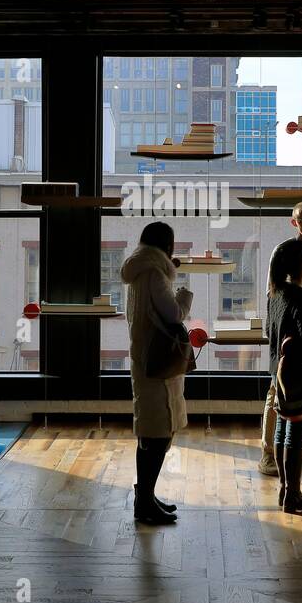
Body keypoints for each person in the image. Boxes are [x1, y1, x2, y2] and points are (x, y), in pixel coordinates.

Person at [121, 221, 194, 526]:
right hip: (157, 365)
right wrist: (184, 293)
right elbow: (174, 314)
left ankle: (147, 496)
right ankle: (145, 501)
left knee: (150, 433)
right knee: (157, 434)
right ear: (167, 245)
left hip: (144, 358)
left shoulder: (141, 270)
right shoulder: (154, 273)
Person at [258, 201, 302, 476]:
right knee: (277, 392)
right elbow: (276, 293)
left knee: (301, 395)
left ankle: (295, 452)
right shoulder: (284, 251)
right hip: (287, 326)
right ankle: (268, 454)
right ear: (294, 222)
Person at [267, 238, 302, 514]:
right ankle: (293, 495)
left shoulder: (276, 293)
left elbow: (270, 331)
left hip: (277, 372)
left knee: (281, 428)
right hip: (297, 375)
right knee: (296, 436)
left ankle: (284, 489)